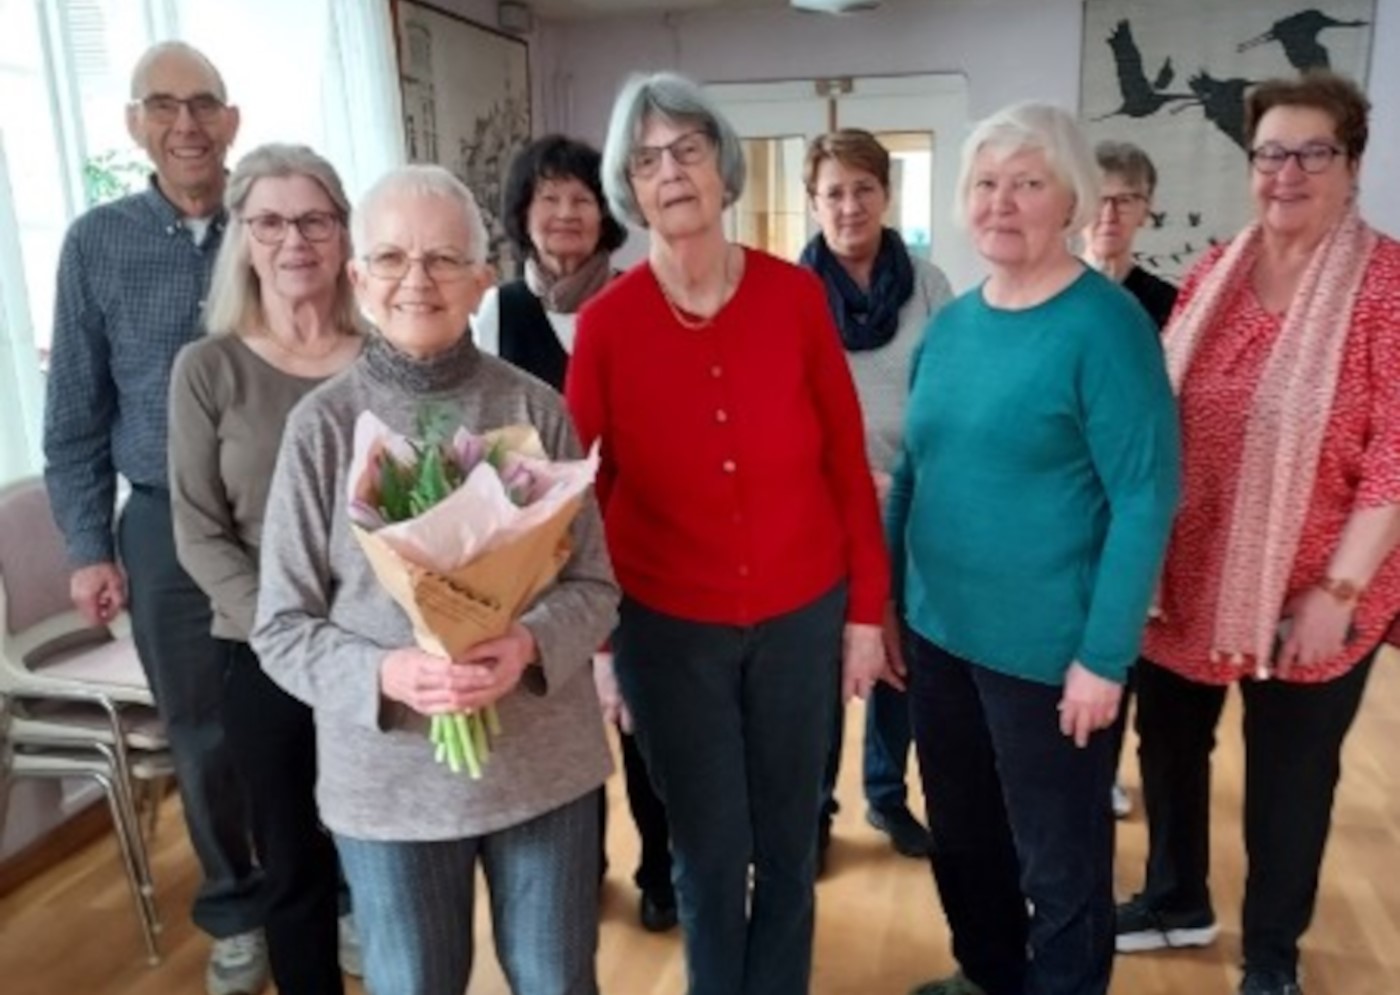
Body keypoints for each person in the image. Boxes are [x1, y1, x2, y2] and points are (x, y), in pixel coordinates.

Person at [251, 164, 619, 995]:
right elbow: (280, 625)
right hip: (388, 783)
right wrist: (386, 671)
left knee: (561, 980)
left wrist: (526, 640)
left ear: (483, 278)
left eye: (444, 259)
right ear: (358, 277)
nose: (417, 280)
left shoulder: (534, 409)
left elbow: (596, 584)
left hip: (540, 765)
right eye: (390, 258)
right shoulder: (321, 429)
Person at [567, 72, 890, 995]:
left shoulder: (794, 298)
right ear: (630, 185)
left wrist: (864, 616)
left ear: (722, 167)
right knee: (708, 853)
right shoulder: (607, 325)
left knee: (790, 846)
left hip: (800, 617)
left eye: (688, 150)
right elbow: (579, 500)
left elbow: (844, 465)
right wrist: (597, 645)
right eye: (646, 158)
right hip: (667, 630)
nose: (670, 173)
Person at [1114, 72, 1400, 995]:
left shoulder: (1387, 285)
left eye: (1313, 151)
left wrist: (1340, 594)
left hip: (1319, 583)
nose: (1287, 172)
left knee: (1289, 777)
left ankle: (1272, 952)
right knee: (1167, 743)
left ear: (1351, 165)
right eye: (1270, 152)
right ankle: (1175, 895)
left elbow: (1398, 457)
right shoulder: (1216, 271)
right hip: (1188, 568)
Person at [888, 102, 1181, 995]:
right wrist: (892, 608)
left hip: (1052, 658)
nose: (1001, 202)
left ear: (1071, 200)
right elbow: (914, 470)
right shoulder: (953, 323)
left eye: (1027, 182)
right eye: (984, 183)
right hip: (940, 636)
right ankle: (988, 975)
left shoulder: (1106, 326)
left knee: (1059, 865)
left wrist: (1103, 656)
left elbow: (1145, 495)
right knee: (965, 836)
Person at [41, 40, 268, 995]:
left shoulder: (271, 222)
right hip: (164, 521)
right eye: (163, 106)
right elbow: (74, 416)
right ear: (136, 124)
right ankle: (238, 910)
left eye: (204, 104)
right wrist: (90, 545)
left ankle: (331, 889)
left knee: (311, 708)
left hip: (276, 511)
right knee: (201, 728)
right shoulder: (97, 244)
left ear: (231, 120)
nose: (187, 123)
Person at [169, 143, 364, 995]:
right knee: (291, 864)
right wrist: (291, 634)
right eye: (272, 221)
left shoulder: (387, 353)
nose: (295, 240)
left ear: (344, 234)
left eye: (315, 219)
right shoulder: (207, 369)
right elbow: (199, 531)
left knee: (392, 857)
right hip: (264, 652)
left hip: (381, 648)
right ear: (244, 237)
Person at [475, 133, 677, 933]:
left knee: (641, 719)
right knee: (558, 720)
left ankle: (661, 867)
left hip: (627, 544)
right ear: (524, 214)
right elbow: (481, 439)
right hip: (530, 561)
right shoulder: (499, 309)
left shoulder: (637, 299)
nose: (565, 214)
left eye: (582, 199)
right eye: (548, 198)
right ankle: (579, 865)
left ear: (607, 216)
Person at [801, 128, 952, 863]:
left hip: (915, 503)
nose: (850, 205)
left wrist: (909, 475)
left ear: (886, 195)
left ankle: (888, 797)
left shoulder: (929, 284)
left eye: (864, 188)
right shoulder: (790, 294)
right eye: (834, 191)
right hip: (821, 508)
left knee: (901, 655)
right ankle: (815, 808)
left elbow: (953, 394)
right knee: (825, 660)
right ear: (814, 202)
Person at [1079, 139, 1179, 820]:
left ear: (1146, 211)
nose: (1110, 213)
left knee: (1123, 644)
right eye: (1100, 197)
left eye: (1127, 199)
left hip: (1134, 507)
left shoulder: (1171, 304)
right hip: (1064, 506)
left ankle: (1106, 769)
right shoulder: (1053, 290)